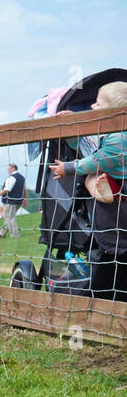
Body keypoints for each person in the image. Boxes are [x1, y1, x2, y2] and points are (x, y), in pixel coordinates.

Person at [48, 81, 127, 300]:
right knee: (94, 176)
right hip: (113, 181)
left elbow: (94, 159)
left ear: (117, 112)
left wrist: (68, 168)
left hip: (118, 193)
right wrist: (72, 128)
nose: (92, 107)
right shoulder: (106, 133)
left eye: (98, 104)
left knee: (92, 173)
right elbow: (85, 147)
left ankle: (102, 189)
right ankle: (102, 188)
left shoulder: (120, 138)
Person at [0, 164, 26, 238]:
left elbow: (7, 189)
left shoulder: (12, 177)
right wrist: (25, 199)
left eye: (8, 169)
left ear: (13, 168)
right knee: (8, 216)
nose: (8, 170)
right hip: (19, 201)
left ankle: (15, 234)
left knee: (10, 218)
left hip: (11, 201)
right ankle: (2, 233)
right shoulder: (22, 178)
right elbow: (25, 189)